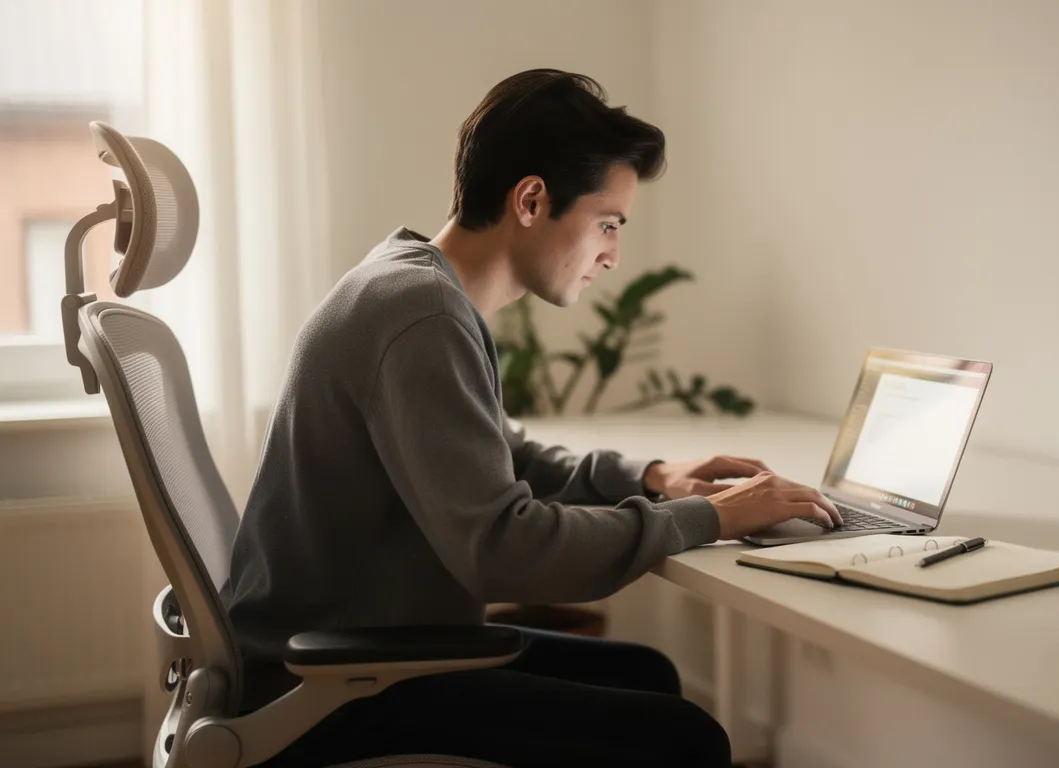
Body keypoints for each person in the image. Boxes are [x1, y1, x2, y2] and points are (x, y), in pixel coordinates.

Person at [222, 68, 842, 768]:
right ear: (532, 199)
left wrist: (656, 476)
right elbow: (503, 548)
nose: (612, 254)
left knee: (647, 678)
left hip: (355, 650)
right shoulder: (420, 314)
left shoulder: (411, 282)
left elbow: (502, 458)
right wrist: (714, 518)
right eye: (608, 223)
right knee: (687, 739)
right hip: (327, 689)